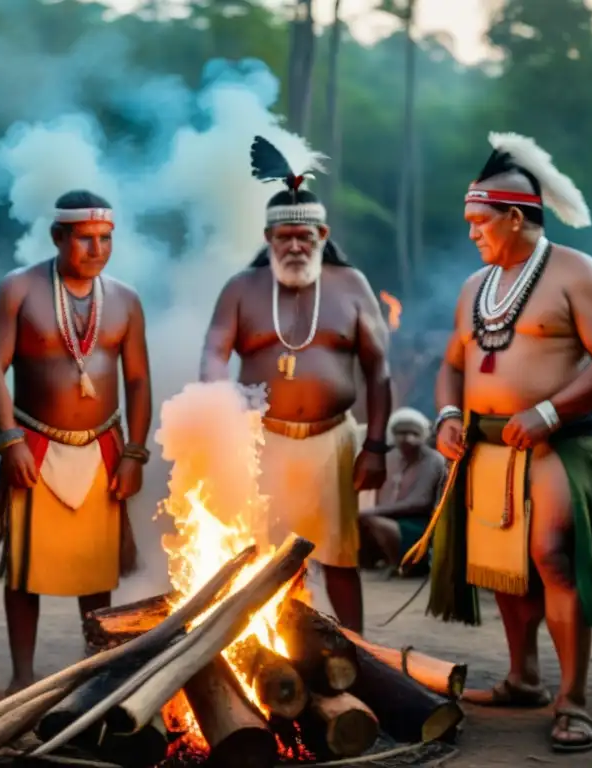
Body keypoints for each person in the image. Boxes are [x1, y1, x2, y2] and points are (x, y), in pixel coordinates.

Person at [409, 132, 592, 753]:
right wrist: (449, 414)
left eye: (481, 221)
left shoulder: (578, 273)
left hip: (557, 443)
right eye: (468, 222)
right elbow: (452, 361)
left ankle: (574, 699)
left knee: (553, 556)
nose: (472, 232)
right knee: (505, 568)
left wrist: (550, 412)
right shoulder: (475, 285)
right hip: (485, 444)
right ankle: (523, 678)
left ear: (515, 215)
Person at [200, 136, 391, 633]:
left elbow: (378, 369)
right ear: (268, 237)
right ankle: (261, 648)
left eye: (304, 236)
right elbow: (214, 353)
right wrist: (220, 416)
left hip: (333, 442)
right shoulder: (242, 288)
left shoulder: (351, 285)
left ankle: (355, 651)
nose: (294, 246)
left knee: (340, 558)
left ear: (323, 233)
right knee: (260, 555)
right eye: (283, 236)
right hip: (260, 441)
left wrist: (375, 446)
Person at [0, 190, 150, 694]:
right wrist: (9, 439)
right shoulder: (18, 289)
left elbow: (138, 381)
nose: (97, 249)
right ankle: (22, 677)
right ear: (58, 236)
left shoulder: (125, 300)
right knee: (23, 571)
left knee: (97, 573)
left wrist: (135, 453)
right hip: (34, 442)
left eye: (105, 239)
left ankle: (94, 672)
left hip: (103, 447)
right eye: (85, 239)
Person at [359, 408, 445, 574]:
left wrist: (373, 512)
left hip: (420, 523)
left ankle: (399, 565)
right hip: (390, 515)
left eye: (413, 432)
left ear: (423, 434)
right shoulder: (389, 457)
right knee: (356, 520)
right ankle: (369, 562)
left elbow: (421, 502)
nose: (407, 438)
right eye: (401, 432)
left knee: (374, 521)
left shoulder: (434, 461)